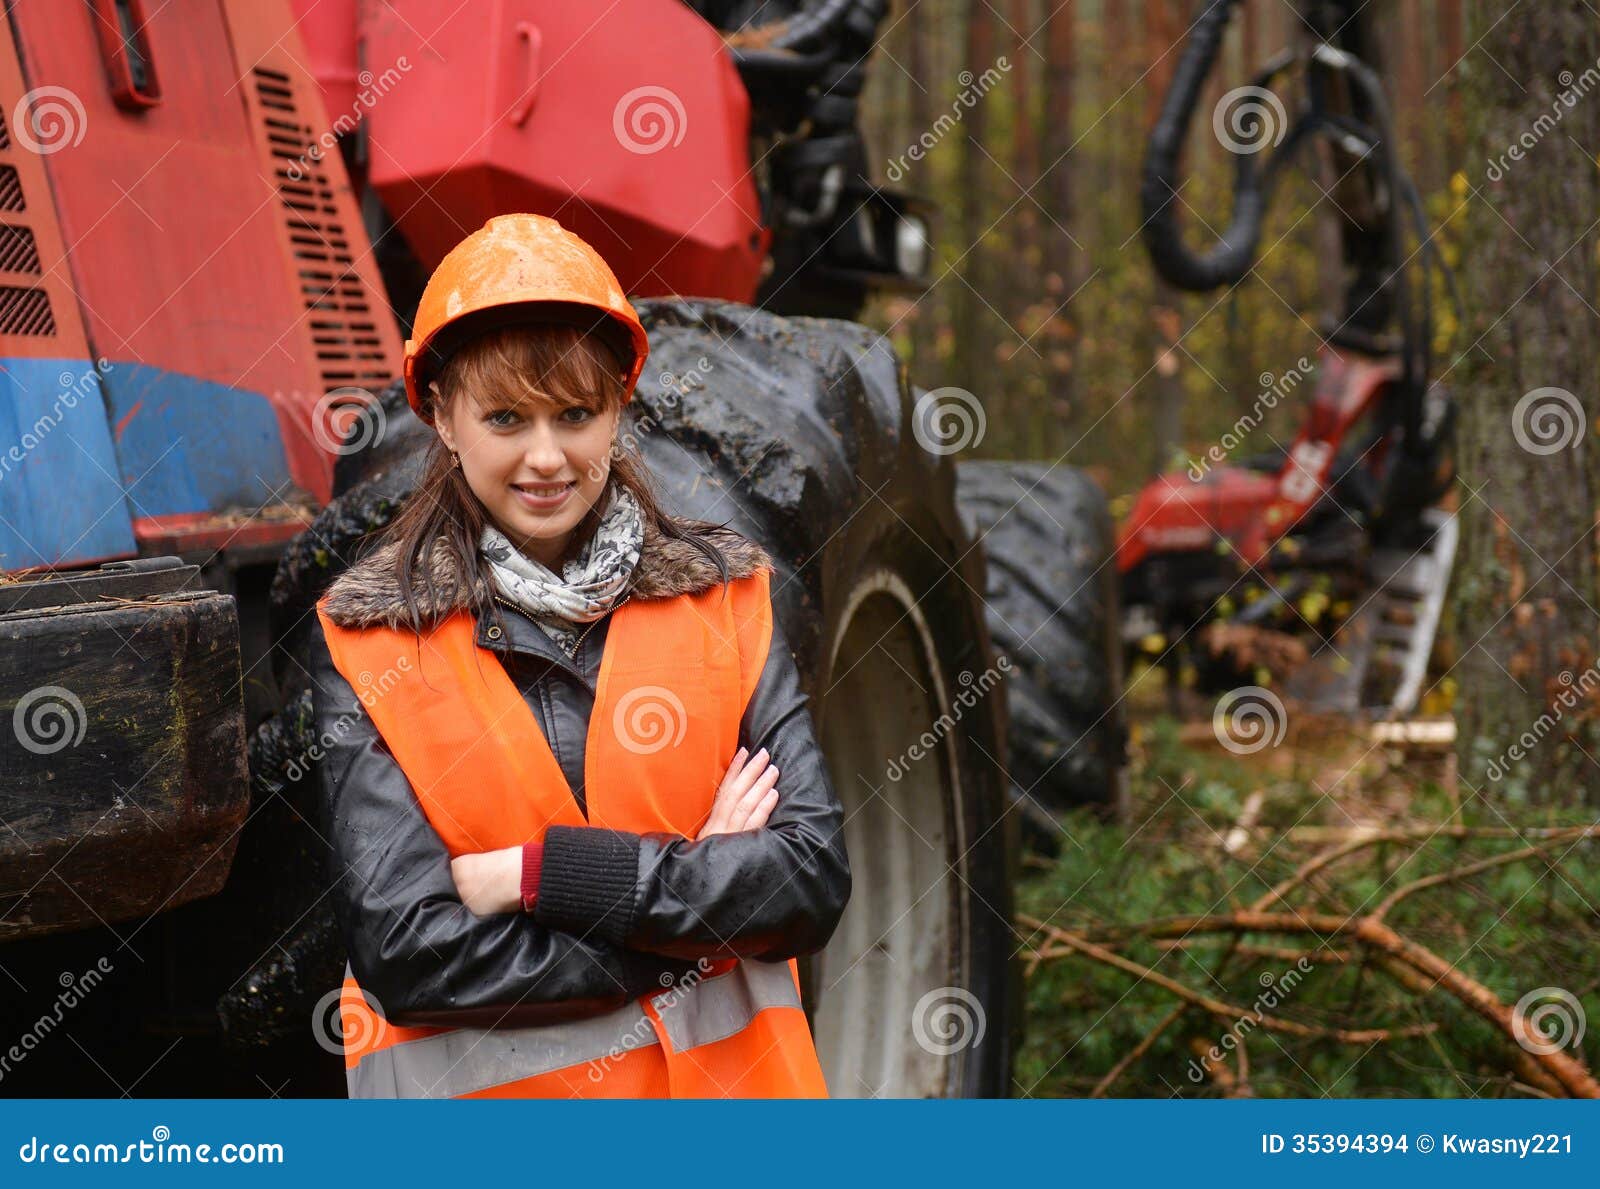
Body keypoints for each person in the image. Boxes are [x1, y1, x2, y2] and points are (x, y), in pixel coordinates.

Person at [305, 213, 851, 1098]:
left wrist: (536, 874)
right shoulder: (370, 643)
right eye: (506, 418)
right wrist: (692, 910)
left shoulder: (723, 598)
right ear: (444, 417)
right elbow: (410, 953)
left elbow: (807, 880)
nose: (547, 457)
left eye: (576, 413)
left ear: (619, 408)